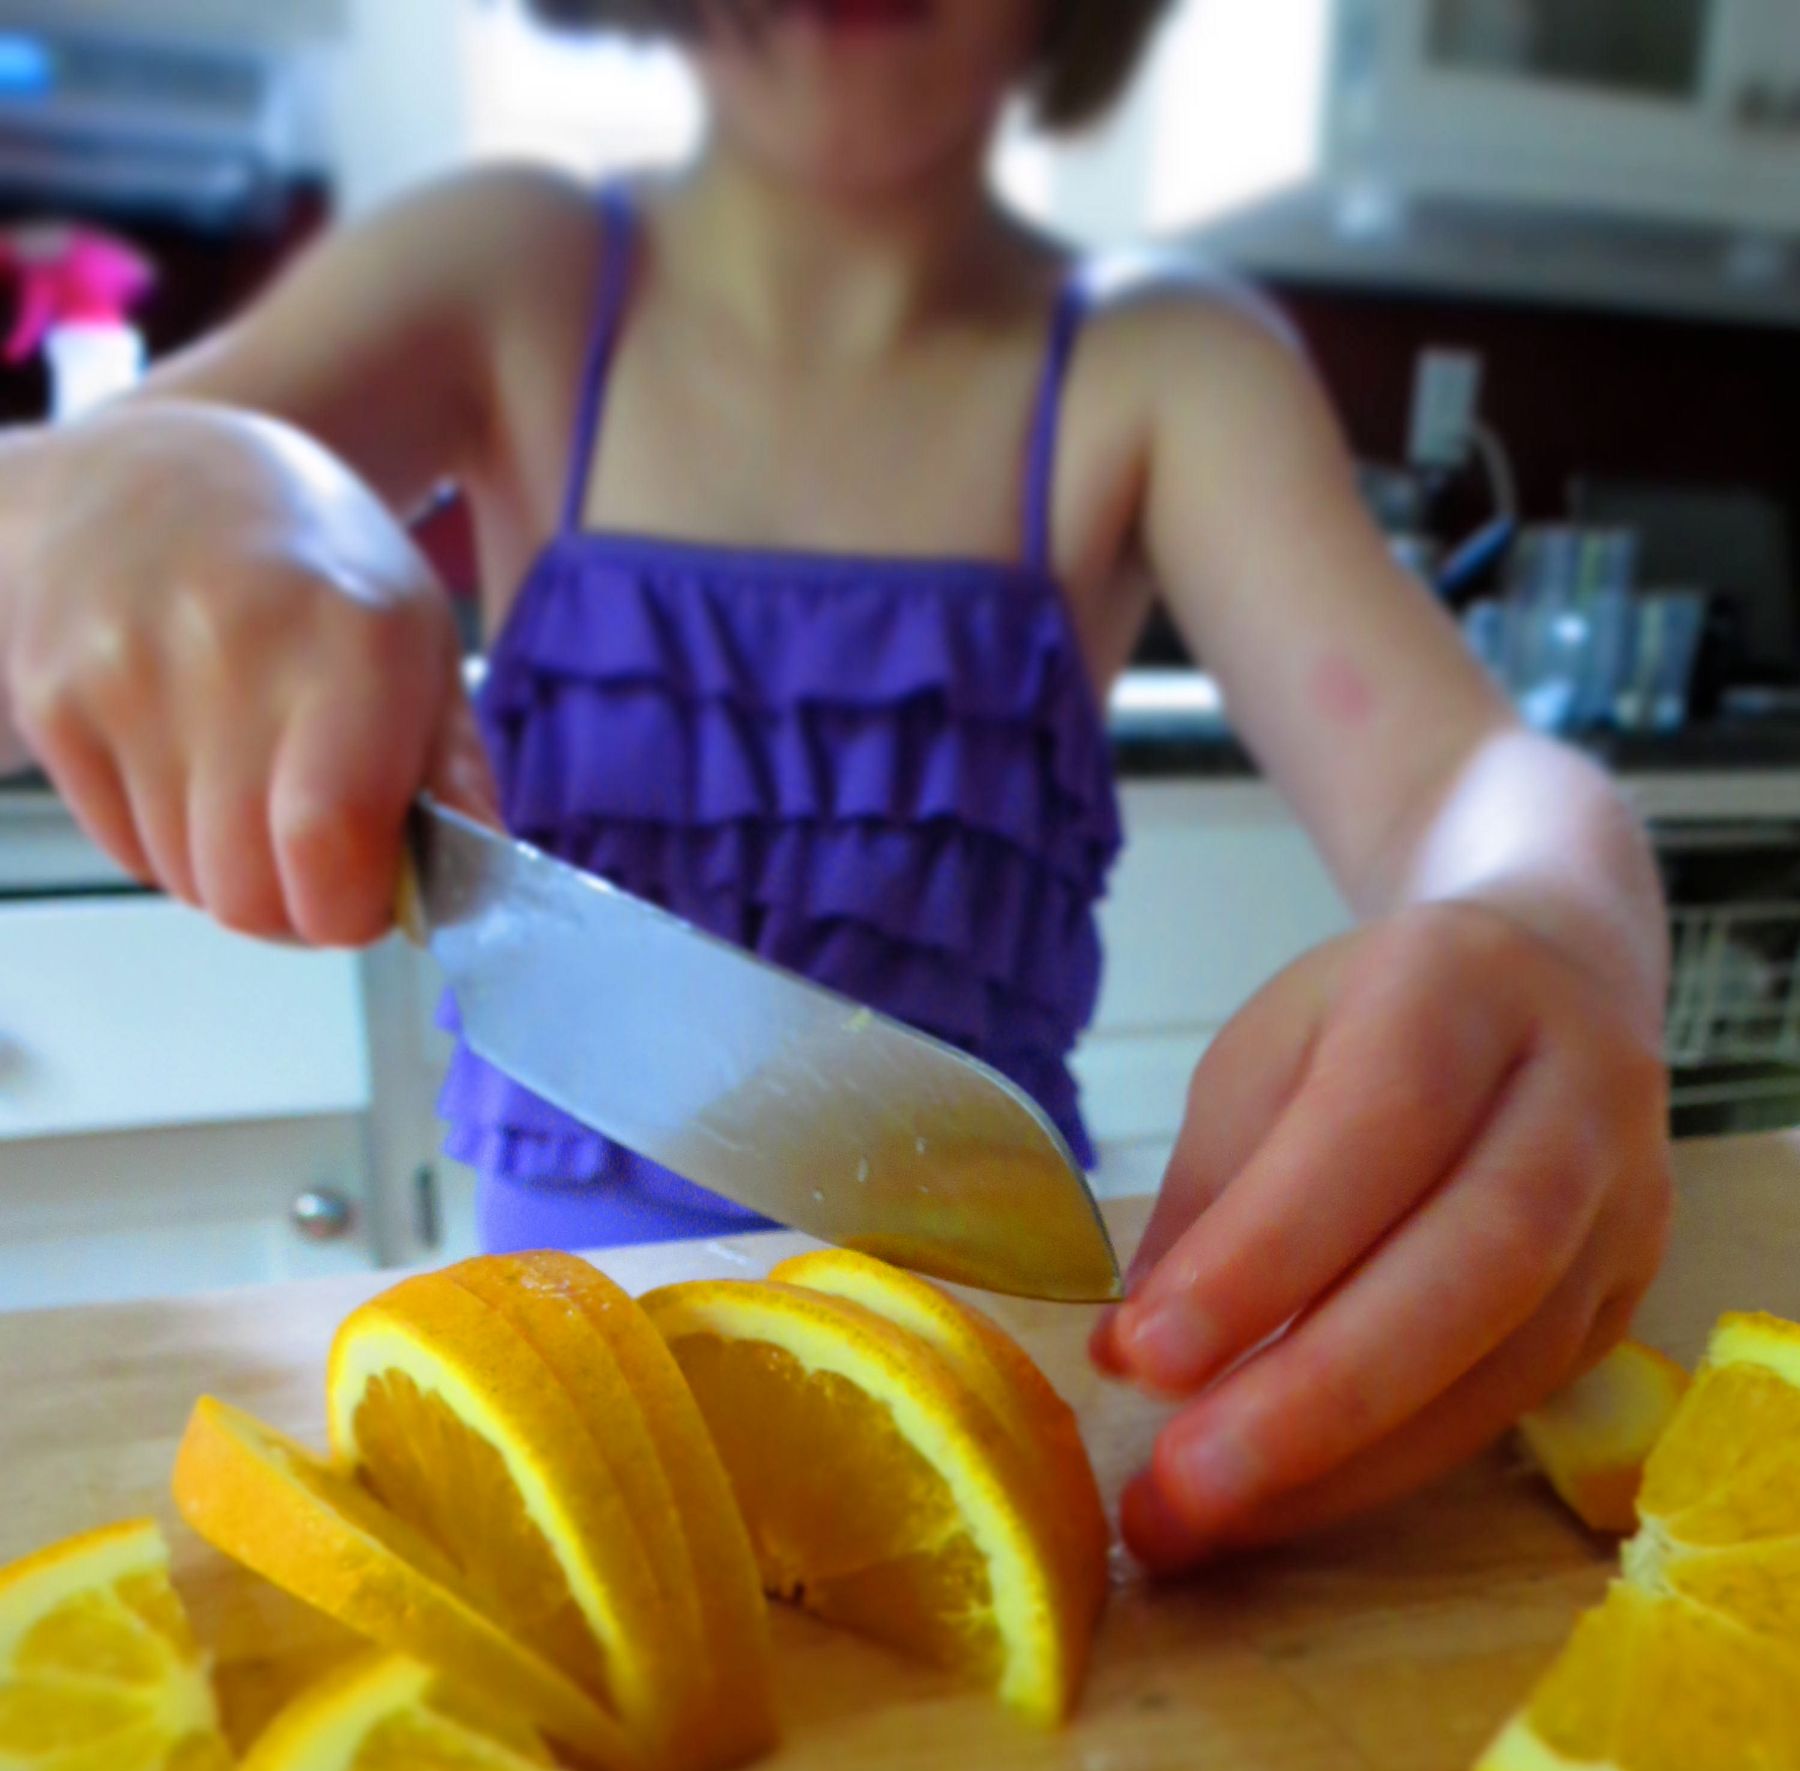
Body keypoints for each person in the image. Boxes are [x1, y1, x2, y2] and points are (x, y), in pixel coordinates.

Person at [0, 0, 1672, 1573]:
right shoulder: (508, 267)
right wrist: (110, 504)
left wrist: (1551, 928)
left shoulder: (1171, 366)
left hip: (969, 1386)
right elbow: (54, 521)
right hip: (554, 1390)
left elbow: (1471, 780)